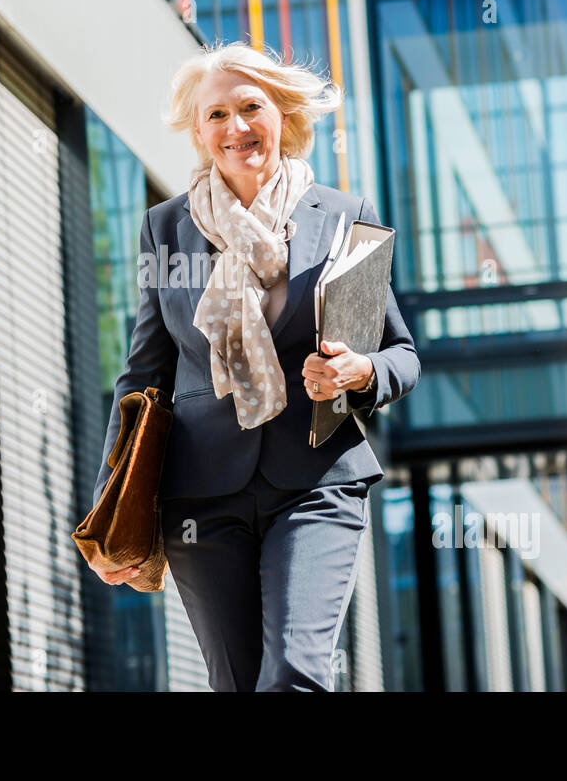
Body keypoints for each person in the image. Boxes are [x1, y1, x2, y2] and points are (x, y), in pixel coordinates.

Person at [87, 41, 421, 691]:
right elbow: (143, 373)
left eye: (249, 107)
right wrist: (112, 505)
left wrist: (359, 372)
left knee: (295, 671)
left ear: (283, 114)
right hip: (201, 492)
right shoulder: (168, 229)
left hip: (317, 480)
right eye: (216, 115)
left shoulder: (343, 217)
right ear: (198, 130)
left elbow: (401, 355)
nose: (235, 127)